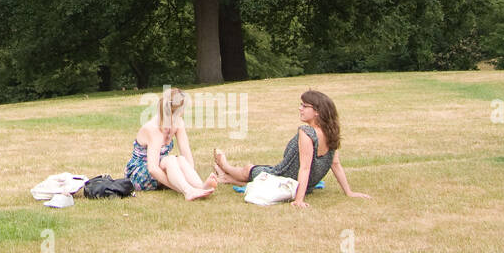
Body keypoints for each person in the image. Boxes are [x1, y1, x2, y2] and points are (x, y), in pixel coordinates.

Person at [213, 90, 371, 208]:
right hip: (306, 183)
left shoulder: (307, 132)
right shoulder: (331, 132)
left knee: (249, 170)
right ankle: (225, 177)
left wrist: (299, 200)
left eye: (304, 105)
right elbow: (335, 164)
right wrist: (348, 192)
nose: (300, 108)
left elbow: (305, 167)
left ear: (317, 111)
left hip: (283, 177)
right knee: (253, 173)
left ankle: (224, 166)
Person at [125, 87, 217, 200]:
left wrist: (190, 177)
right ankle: (188, 191)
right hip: (140, 173)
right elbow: (152, 169)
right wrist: (179, 188)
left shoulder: (178, 122)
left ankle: (200, 186)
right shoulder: (154, 129)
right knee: (170, 160)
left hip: (161, 167)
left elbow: (186, 152)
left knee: (180, 160)